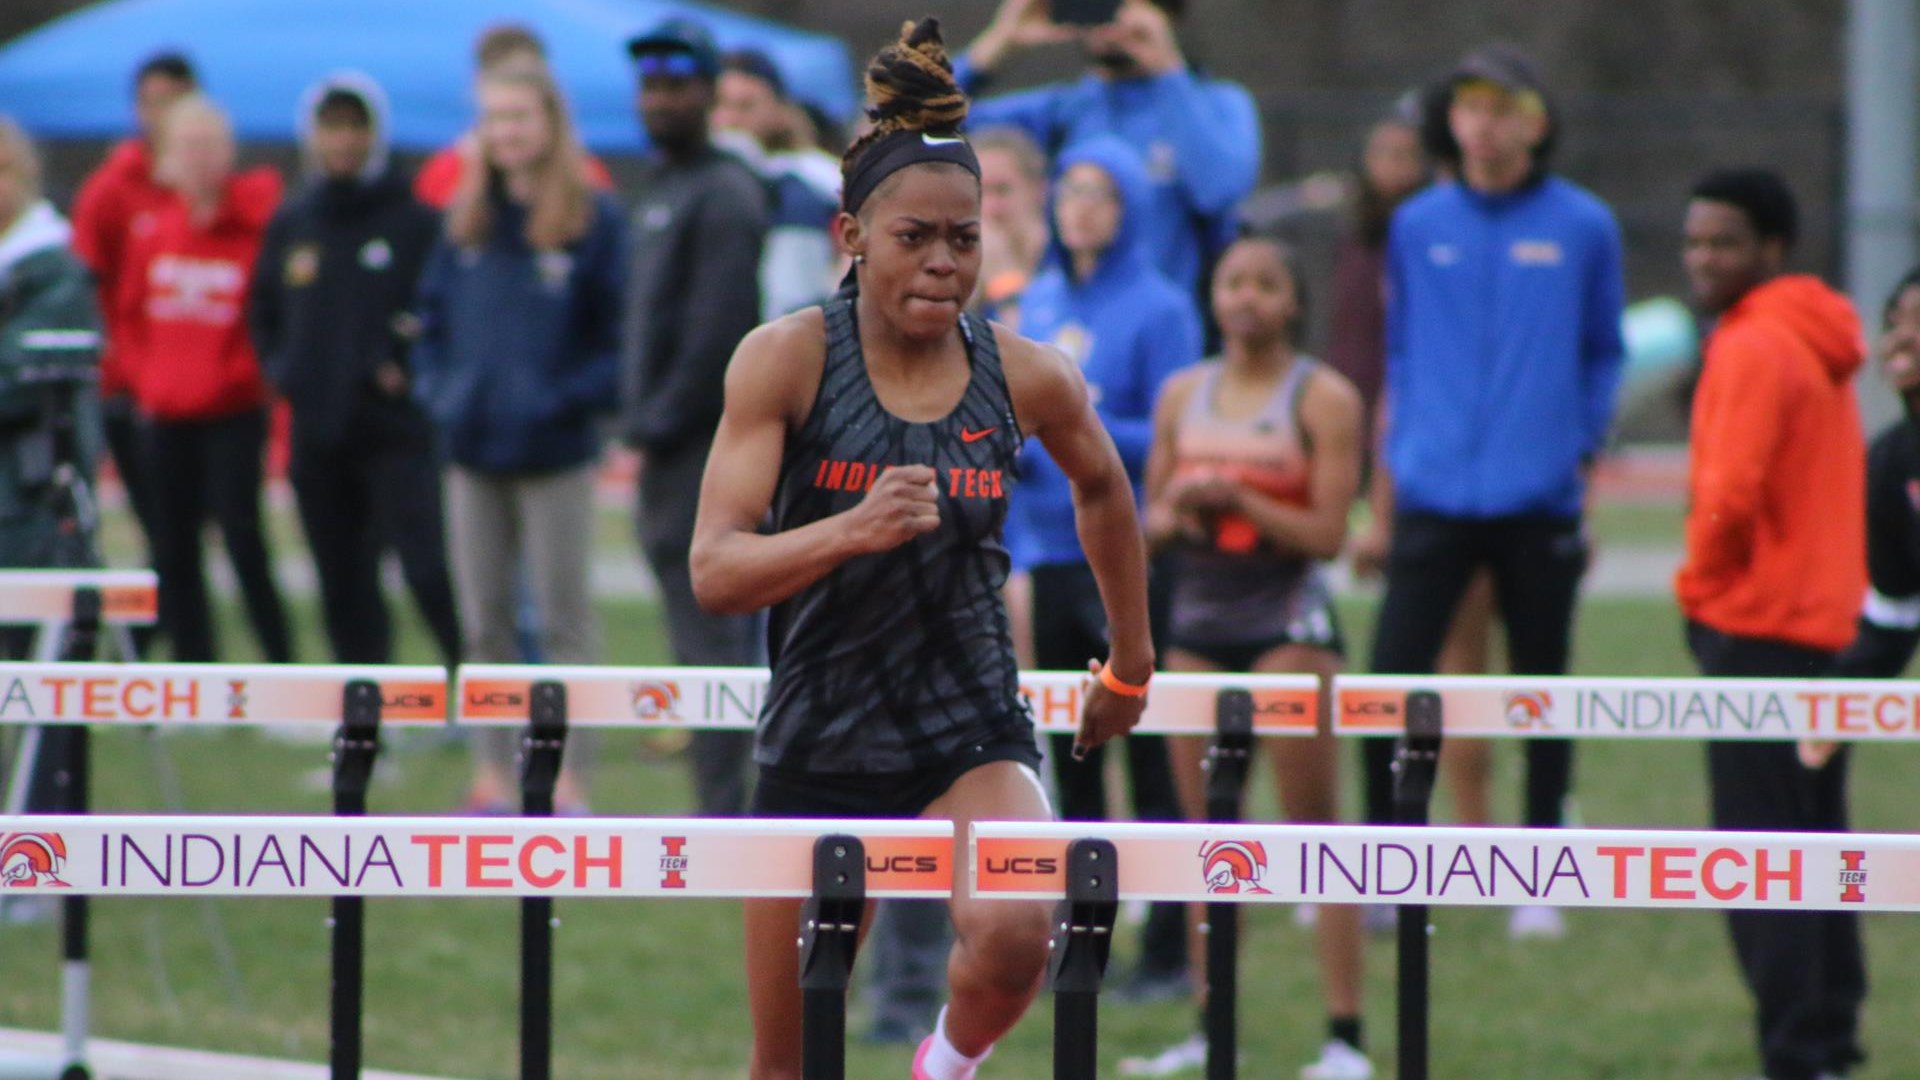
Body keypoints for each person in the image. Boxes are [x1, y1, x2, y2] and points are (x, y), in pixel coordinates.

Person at [687, 20, 1153, 1080]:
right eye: (915, 239)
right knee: (788, 1064)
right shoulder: (787, 360)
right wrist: (851, 529)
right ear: (853, 234)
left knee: (1021, 928)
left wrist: (1130, 662)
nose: (944, 265)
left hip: (967, 724)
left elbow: (1105, 492)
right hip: (818, 728)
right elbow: (715, 570)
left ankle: (942, 1066)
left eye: (965, 239)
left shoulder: (1025, 375)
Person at [1362, 45, 1626, 941]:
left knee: (1542, 690)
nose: (1483, 121)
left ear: (1534, 120)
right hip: (1435, 491)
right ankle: (1386, 866)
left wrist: (1577, 447)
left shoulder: (1584, 225)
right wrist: (1398, 462)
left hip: (1538, 497)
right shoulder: (1416, 223)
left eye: (1501, 105)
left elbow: (1603, 352)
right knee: (1388, 684)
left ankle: (1541, 872)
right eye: (1468, 105)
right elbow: (1401, 353)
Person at [1125, 236, 1369, 1080]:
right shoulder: (1182, 394)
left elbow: (1330, 535)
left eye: (1266, 284)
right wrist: (1184, 509)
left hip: (1289, 625)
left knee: (1314, 837)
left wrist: (1246, 501)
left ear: (1291, 302)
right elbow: (1146, 525)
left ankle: (1346, 1038)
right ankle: (1208, 1025)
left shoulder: (1325, 397)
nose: (1247, 298)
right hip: (1197, 622)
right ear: (1213, 297)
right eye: (1233, 283)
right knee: (1206, 839)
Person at [1676, 168, 1866, 1080]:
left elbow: (1728, 496)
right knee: (1818, 843)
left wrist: (1697, 589)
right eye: (1694, 241)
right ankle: (1829, 1033)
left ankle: (1794, 1051)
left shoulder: (1753, 346)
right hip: (1826, 628)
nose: (1703, 259)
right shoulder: (1814, 340)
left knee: (1761, 857)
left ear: (1773, 249)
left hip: (1756, 628)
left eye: (1725, 241)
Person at [1011, 135, 1199, 1003]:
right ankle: (1085, 941)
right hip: (1047, 552)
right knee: (1070, 758)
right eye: (1070, 191)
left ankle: (1168, 948)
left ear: (1129, 210)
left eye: (1100, 194)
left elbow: (1168, 439)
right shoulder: (1038, 297)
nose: (1080, 207)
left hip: (1121, 557)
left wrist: (1074, 415)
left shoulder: (1161, 307)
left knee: (1152, 757)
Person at [412, 66, 624, 815]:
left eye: (519, 117)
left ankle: (569, 782)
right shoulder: (464, 219)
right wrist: (440, 395)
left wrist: (564, 402)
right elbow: (428, 328)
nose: (507, 133)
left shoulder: (593, 219)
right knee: (484, 627)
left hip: (556, 455)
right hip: (471, 454)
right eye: (494, 118)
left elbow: (616, 339)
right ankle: (494, 779)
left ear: (550, 122)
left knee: (565, 623)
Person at [250, 73, 459, 667]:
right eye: (331, 126)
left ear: (376, 134)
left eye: (355, 126)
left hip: (398, 433)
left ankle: (476, 702)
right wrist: (285, 370)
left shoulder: (415, 221)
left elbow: (440, 310)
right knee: (341, 579)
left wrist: (406, 367)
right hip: (318, 430)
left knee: (428, 567)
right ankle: (366, 726)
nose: (342, 141)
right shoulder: (295, 222)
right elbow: (263, 308)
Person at [621, 17, 770, 820]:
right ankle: (716, 802)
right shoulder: (664, 189)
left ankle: (725, 815)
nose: (659, 101)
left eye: (676, 86)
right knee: (688, 638)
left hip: (705, 451)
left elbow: (718, 336)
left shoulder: (724, 193)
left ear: (710, 93)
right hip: (662, 449)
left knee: (715, 642)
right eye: (649, 86)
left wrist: (656, 419)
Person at [1338, 99, 1501, 833]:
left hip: (1434, 481)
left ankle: (1478, 832)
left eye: (1409, 154)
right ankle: (1385, 838)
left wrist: (1386, 504)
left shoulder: (1450, 250)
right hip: (1364, 464)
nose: (1394, 169)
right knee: (1379, 677)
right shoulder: (1363, 253)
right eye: (1384, 152)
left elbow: (1412, 388)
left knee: (1463, 670)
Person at [117, 94, 291, 664]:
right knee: (171, 547)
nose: (196, 159)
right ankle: (192, 669)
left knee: (244, 540)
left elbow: (266, 317)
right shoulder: (153, 229)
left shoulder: (252, 229)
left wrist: (237, 378)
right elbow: (131, 315)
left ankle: (279, 663)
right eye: (184, 146)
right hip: (165, 413)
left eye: (207, 145)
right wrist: (149, 382)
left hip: (233, 410)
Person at [956, 0, 1259, 301]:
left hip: (1171, 329)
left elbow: (1219, 191)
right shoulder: (1069, 110)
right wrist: (1000, 42)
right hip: (1071, 330)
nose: (1108, 20)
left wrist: (1168, 68)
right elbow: (920, 117)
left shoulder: (1215, 103)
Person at [69, 51, 197, 650]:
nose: (163, 112)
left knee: (202, 532)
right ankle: (148, 646)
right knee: (160, 530)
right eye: (153, 100)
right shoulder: (111, 190)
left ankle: (193, 647)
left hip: (200, 390)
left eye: (175, 98)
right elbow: (86, 282)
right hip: (129, 387)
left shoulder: (206, 185)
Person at [414, 23, 614, 211]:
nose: (507, 131)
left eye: (519, 115)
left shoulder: (587, 183)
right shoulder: (446, 172)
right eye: (498, 115)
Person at [1834, 266, 1920, 680]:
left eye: (1919, 322)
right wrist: (1831, 708)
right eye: (1893, 322)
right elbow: (1896, 611)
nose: (1901, 337)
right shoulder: (1890, 459)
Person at [711, 48, 842, 319]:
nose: (730, 120)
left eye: (746, 106)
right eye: (720, 104)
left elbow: (791, 307)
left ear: (780, 109)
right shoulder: (697, 183)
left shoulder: (804, 184)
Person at [971, 126, 1049, 326]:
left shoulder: (1068, 264)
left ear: (1038, 191)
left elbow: (1034, 347)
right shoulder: (961, 270)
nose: (990, 208)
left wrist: (1004, 282)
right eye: (980, 193)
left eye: (1001, 190)